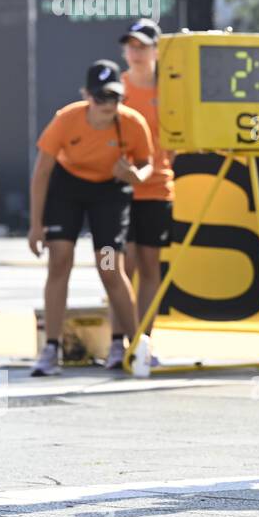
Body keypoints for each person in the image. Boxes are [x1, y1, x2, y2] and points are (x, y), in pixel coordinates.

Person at [28, 60, 155, 376]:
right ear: (86, 95)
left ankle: (131, 344)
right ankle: (52, 348)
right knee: (60, 259)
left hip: (107, 195)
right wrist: (35, 225)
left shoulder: (132, 123)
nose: (107, 106)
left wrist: (134, 176)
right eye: (100, 98)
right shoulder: (66, 120)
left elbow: (146, 164)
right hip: (67, 189)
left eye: (114, 98)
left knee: (110, 266)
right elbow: (42, 171)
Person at [117, 18, 173, 368]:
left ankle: (143, 342)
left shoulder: (169, 89)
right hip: (119, 191)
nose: (136, 53)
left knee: (150, 266)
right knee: (122, 265)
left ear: (156, 51)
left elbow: (177, 136)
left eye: (143, 46)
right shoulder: (115, 87)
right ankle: (120, 341)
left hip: (156, 189)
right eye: (131, 46)